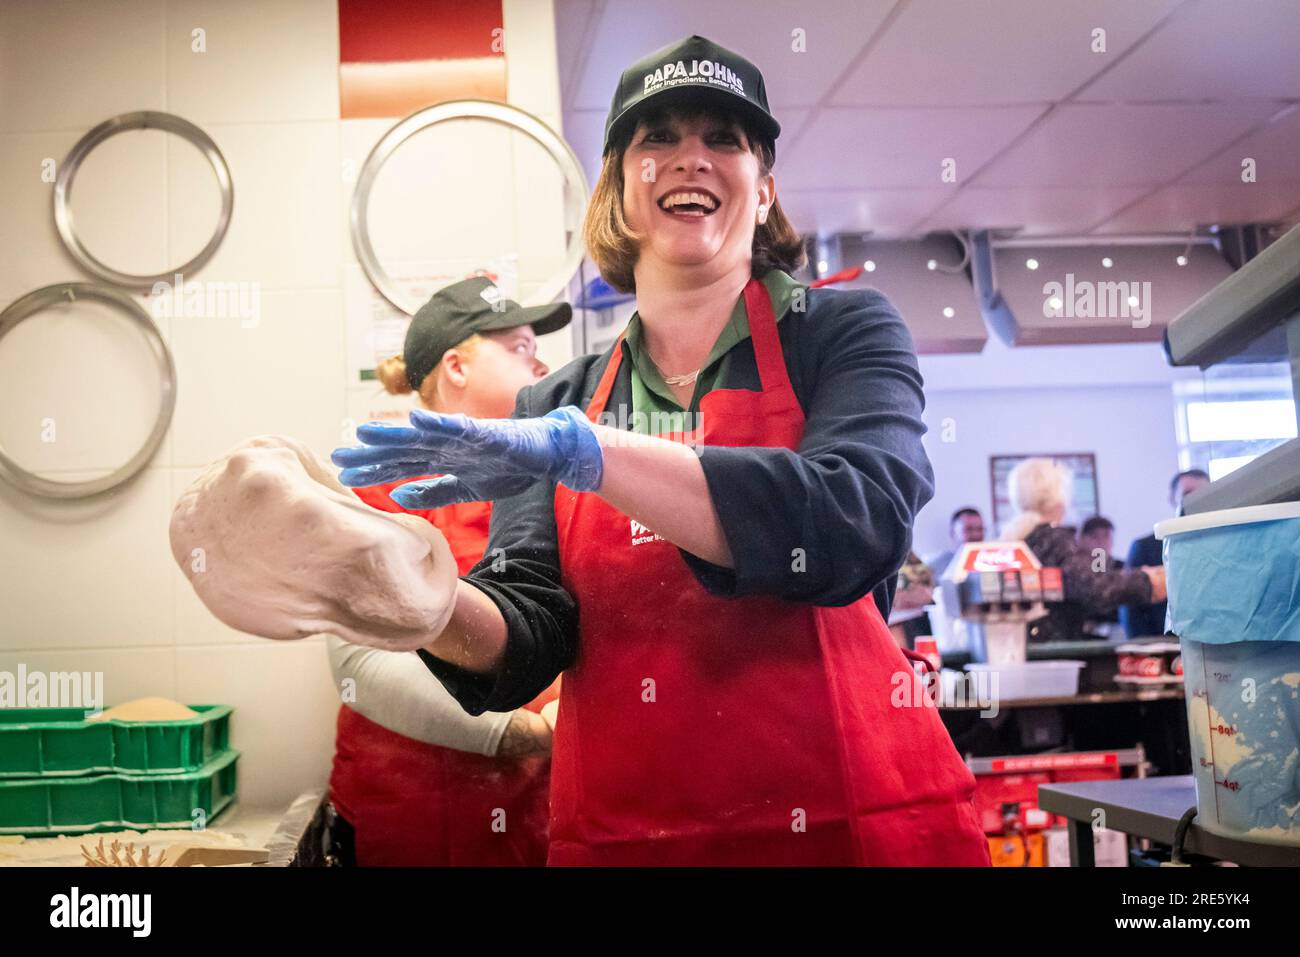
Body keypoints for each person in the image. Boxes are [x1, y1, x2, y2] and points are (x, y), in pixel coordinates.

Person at [334, 35, 989, 866]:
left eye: (725, 139)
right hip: (631, 835)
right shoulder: (557, 399)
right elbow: (529, 631)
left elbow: (855, 521)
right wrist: (412, 598)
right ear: (617, 191)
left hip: (852, 822)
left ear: (764, 191)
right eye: (659, 139)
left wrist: (594, 458)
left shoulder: (840, 333)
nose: (692, 158)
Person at [327, 277, 567, 865]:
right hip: (412, 811)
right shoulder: (384, 484)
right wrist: (520, 734)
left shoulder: (560, 479)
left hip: (537, 813)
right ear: (456, 367)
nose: (542, 366)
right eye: (519, 348)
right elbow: (360, 661)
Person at [1001, 459, 1165, 643]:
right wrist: (1148, 580)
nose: (1101, 541)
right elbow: (1096, 588)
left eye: (1106, 536)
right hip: (1057, 650)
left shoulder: (1019, 537)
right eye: (1096, 536)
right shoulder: (1054, 539)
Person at [1121, 468, 1210, 638]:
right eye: (1189, 494)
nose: (1197, 500)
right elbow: (1131, 609)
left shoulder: (1221, 544)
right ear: (1172, 499)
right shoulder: (1145, 548)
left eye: (1204, 493)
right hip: (1163, 648)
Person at [925, 506, 985, 579]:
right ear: (953, 534)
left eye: (980, 529)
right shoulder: (934, 565)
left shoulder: (992, 562)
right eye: (968, 529)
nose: (976, 534)